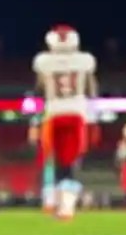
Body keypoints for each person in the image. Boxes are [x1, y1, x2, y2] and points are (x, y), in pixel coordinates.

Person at [32, 24, 98, 220]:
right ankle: (66, 207)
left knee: (56, 160)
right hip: (77, 113)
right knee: (70, 161)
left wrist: (35, 120)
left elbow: (40, 89)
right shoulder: (85, 60)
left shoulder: (43, 61)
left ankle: (57, 203)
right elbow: (91, 90)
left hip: (54, 113)